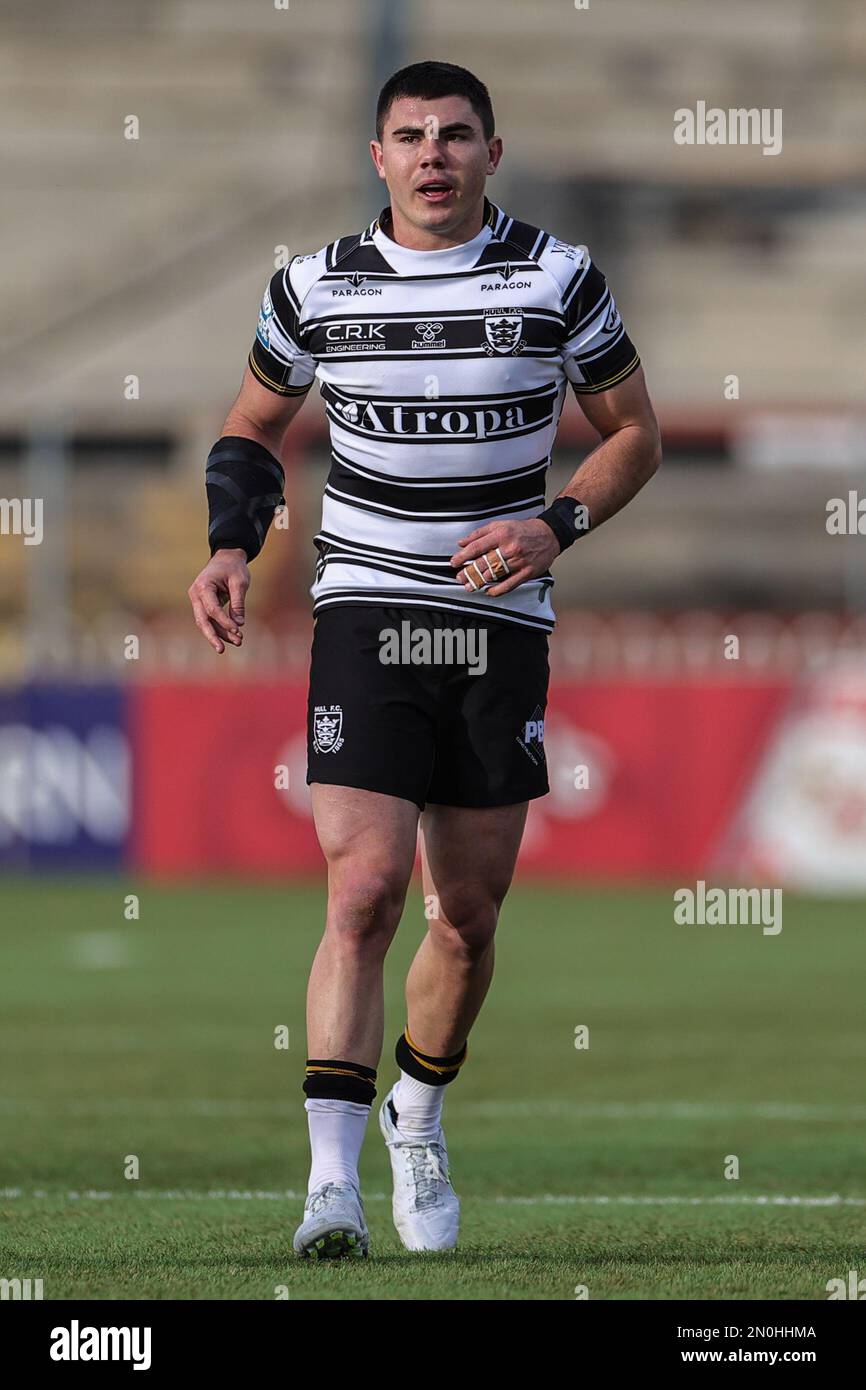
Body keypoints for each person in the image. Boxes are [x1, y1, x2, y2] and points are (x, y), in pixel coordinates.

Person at [188, 60, 661, 1260]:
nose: (433, 155)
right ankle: (330, 1189)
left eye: (455, 136)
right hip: (364, 610)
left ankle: (420, 1111)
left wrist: (552, 525)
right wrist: (232, 544)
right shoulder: (311, 285)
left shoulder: (557, 278)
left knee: (466, 916)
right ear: (377, 155)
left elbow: (633, 435)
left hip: (499, 623)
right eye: (410, 136)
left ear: (491, 153)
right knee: (362, 894)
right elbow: (253, 421)